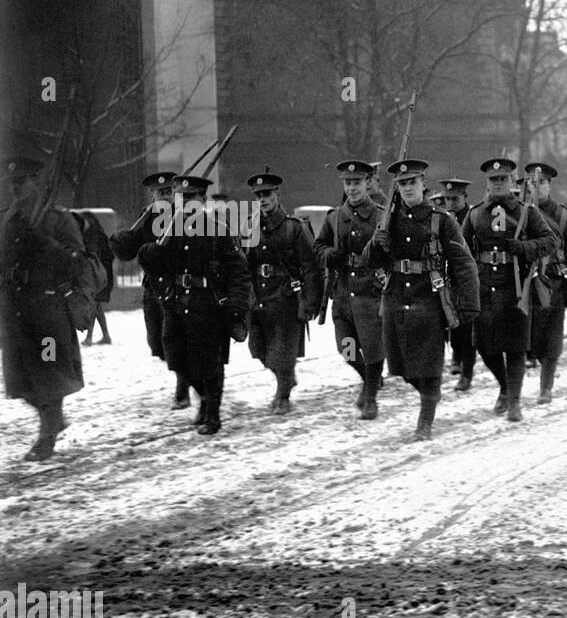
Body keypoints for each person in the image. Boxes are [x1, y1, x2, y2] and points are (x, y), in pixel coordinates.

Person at [363, 158, 480, 439]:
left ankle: (425, 419)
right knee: (401, 366)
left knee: (427, 364)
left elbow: (463, 263)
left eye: (412, 182)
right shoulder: (388, 220)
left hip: (428, 297)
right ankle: (430, 395)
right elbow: (370, 261)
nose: (407, 188)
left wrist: (469, 304)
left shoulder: (442, 220)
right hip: (394, 298)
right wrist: (376, 243)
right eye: (402, 184)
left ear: (423, 184)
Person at [137, 174, 252, 437]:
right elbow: (152, 266)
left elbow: (239, 271)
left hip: (207, 305)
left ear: (202, 200)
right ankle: (203, 398)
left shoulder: (217, 230)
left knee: (209, 362)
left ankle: (212, 413)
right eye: (181, 197)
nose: (186, 203)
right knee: (177, 359)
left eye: (192, 198)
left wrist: (236, 305)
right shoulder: (168, 231)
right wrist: (150, 256)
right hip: (176, 303)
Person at [1, 157, 97, 460]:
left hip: (47, 311)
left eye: (22, 181)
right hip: (16, 311)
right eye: (12, 183)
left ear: (36, 182)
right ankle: (54, 419)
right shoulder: (7, 219)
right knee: (20, 380)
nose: (16, 188)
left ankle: (46, 437)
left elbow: (78, 263)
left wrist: (43, 242)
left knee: (48, 373)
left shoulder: (57, 218)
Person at [462, 158, 558, 420]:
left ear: (510, 180)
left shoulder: (527, 212)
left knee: (515, 348)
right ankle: (504, 387)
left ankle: (514, 402)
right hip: (484, 289)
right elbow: (461, 250)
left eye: (503, 179)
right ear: (488, 183)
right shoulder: (475, 214)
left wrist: (525, 248)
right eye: (494, 180)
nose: (498, 184)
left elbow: (551, 241)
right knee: (485, 346)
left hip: (515, 287)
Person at [111, 172, 195, 407]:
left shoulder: (187, 217)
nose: (164, 196)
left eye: (169, 191)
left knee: (176, 339)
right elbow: (129, 252)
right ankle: (185, 375)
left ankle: (183, 386)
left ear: (175, 193)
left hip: (178, 288)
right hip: (153, 289)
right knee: (157, 343)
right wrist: (120, 241)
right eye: (160, 192)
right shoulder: (145, 218)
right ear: (152, 195)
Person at [244, 172, 322, 413]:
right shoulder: (250, 226)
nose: (262, 200)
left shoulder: (294, 228)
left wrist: (310, 302)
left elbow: (311, 267)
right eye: (258, 196)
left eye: (267, 194)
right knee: (259, 350)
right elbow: (244, 264)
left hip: (287, 297)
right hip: (259, 298)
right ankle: (286, 378)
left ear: (277, 194)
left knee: (283, 351)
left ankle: (283, 395)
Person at [314, 160, 386, 419]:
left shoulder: (381, 215)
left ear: (367, 183)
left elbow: (394, 250)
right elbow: (318, 248)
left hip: (371, 291)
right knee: (346, 348)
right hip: (343, 292)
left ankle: (370, 397)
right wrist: (331, 254)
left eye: (357, 182)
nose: (352, 188)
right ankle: (370, 380)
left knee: (374, 346)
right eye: (348, 183)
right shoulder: (334, 217)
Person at [523, 162, 567, 402]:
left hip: (554, 283)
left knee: (552, 338)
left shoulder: (563, 216)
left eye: (541, 183)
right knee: (527, 338)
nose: (537, 187)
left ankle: (546, 387)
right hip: (525, 284)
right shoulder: (519, 213)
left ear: (549, 185)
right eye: (532, 183)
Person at [437, 176, 477, 391]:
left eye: (455, 198)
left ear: (464, 196)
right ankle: (456, 358)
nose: (451, 202)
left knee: (468, 328)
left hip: (469, 280)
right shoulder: (442, 218)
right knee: (452, 325)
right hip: (446, 281)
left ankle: (466, 373)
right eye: (447, 198)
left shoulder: (473, 217)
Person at [71, 209, 114, 344]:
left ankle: (89, 337)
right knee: (96, 305)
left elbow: (91, 255)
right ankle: (105, 336)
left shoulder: (92, 235)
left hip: (97, 274)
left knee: (92, 304)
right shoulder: (96, 234)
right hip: (100, 274)